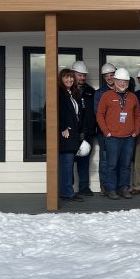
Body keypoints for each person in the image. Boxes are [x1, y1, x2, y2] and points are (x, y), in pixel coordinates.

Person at [96, 67, 140, 200]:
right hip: (113, 138)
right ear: (115, 81)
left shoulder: (133, 97)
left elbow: (137, 115)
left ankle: (124, 188)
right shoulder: (106, 96)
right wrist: (106, 132)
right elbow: (99, 115)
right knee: (112, 165)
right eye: (120, 81)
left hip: (129, 138)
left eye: (125, 81)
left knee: (126, 165)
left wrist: (136, 131)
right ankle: (111, 189)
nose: (123, 84)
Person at [58, 68, 83, 202]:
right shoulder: (58, 93)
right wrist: (62, 127)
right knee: (66, 165)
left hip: (74, 134)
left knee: (69, 164)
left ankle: (67, 191)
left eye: (71, 77)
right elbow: (49, 111)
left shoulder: (73, 94)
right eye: (66, 77)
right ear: (61, 79)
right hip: (65, 135)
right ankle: (67, 193)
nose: (69, 79)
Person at [71, 60, 96, 197]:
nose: (82, 77)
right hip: (71, 133)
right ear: (73, 74)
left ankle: (84, 187)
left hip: (87, 133)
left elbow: (94, 113)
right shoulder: (66, 91)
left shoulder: (91, 91)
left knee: (84, 161)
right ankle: (68, 189)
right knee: (68, 161)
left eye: (84, 75)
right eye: (79, 75)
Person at [93, 63, 116, 196]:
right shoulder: (99, 93)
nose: (109, 78)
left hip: (119, 132)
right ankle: (104, 185)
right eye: (106, 76)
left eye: (111, 75)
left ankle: (115, 186)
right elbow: (98, 113)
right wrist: (107, 130)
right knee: (105, 159)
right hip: (104, 132)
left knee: (117, 159)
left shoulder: (122, 90)